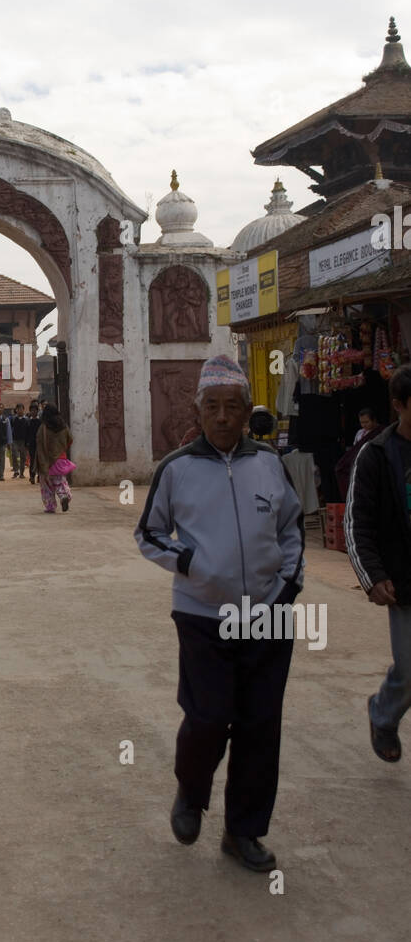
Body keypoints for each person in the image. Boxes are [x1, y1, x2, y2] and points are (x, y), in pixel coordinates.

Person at [134, 354, 305, 873]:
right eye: (214, 407)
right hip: (203, 614)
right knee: (208, 715)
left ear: (247, 410)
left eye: (234, 407)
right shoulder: (177, 468)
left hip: (269, 616)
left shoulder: (269, 465)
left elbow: (291, 529)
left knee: (259, 725)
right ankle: (191, 793)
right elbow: (149, 533)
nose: (224, 417)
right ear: (200, 410)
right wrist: (191, 562)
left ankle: (242, 832)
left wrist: (286, 586)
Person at [346, 365, 411, 764]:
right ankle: (383, 713)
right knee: (410, 669)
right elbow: (357, 521)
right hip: (404, 582)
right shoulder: (375, 454)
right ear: (399, 405)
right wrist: (373, 576)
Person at [337, 408, 383, 501]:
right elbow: (355, 448)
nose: (364, 425)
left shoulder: (381, 432)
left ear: (374, 420)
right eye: (362, 423)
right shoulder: (360, 433)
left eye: (367, 422)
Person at [35, 403, 74, 513]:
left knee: (46, 485)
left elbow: (39, 445)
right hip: (60, 460)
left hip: (46, 461)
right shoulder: (64, 426)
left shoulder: (43, 428)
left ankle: (50, 506)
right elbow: (70, 440)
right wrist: (62, 449)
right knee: (60, 481)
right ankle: (64, 496)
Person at [10, 404, 29, 478]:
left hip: (24, 441)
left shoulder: (27, 419)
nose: (19, 410)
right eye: (18, 409)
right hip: (15, 440)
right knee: (14, 455)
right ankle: (16, 471)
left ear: (23, 410)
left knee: (23, 457)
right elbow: (10, 429)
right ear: (16, 410)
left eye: (21, 409)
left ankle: (22, 472)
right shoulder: (13, 419)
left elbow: (28, 431)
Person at [24, 402, 41, 484]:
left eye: (35, 410)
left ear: (37, 411)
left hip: (39, 444)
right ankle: (32, 476)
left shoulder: (40, 422)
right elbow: (26, 434)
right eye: (32, 411)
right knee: (32, 460)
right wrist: (26, 443)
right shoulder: (28, 422)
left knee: (40, 461)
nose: (33, 412)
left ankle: (40, 476)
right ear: (30, 411)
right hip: (31, 444)